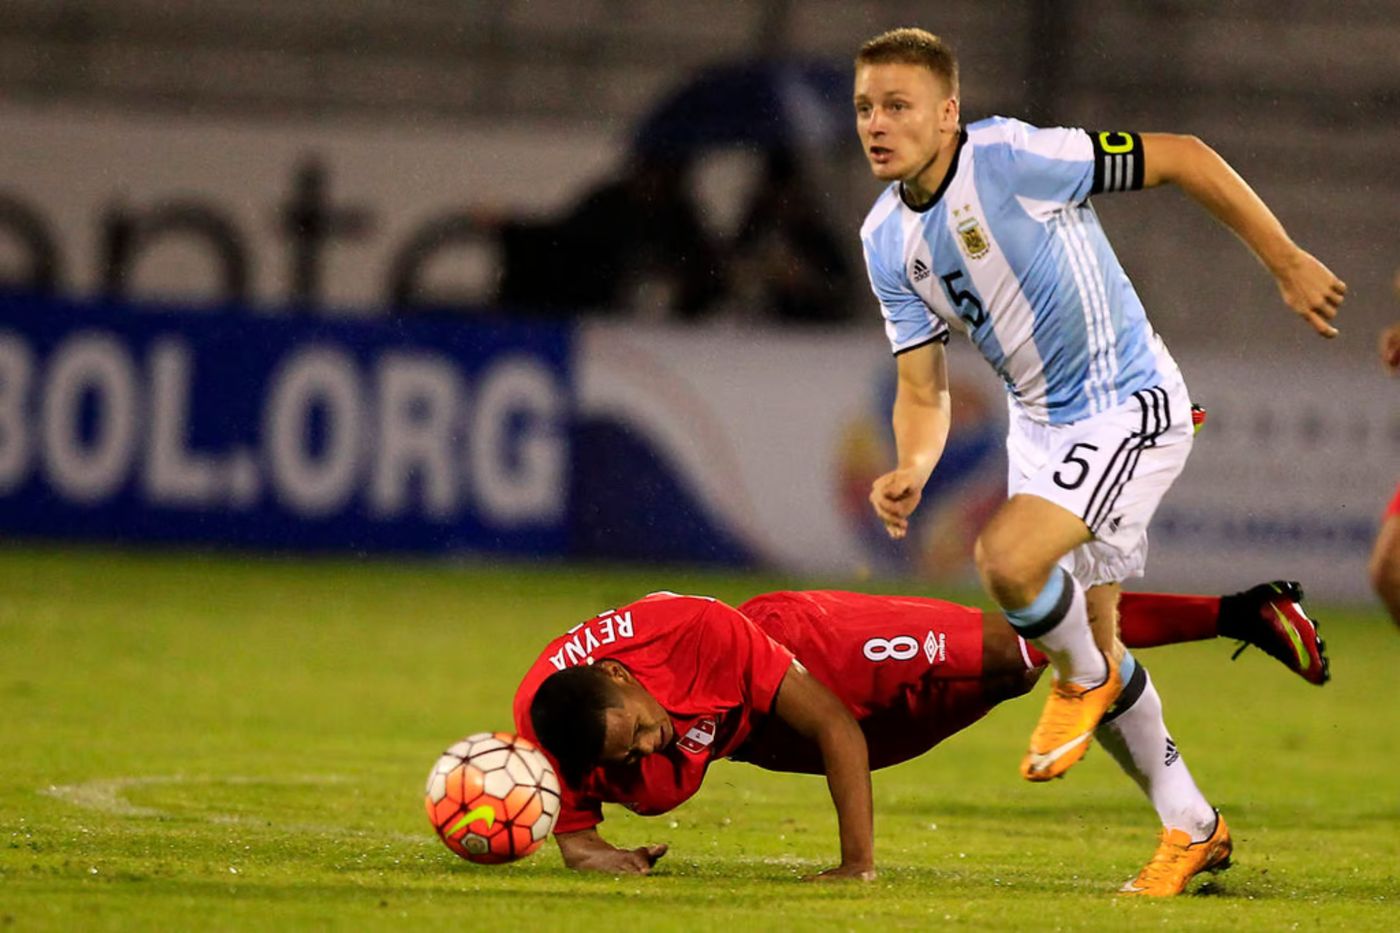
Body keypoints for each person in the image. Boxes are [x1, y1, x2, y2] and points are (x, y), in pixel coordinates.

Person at [851, 26, 1345, 870]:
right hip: (1038, 429)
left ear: (947, 114)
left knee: (1007, 559)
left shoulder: (1012, 158)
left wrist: (1285, 258)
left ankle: (1080, 678)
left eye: (898, 106)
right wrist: (914, 464)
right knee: (1097, 635)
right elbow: (924, 388)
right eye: (864, 107)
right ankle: (1193, 828)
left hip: (1130, 403)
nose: (876, 124)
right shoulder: (884, 239)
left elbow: (1185, 155)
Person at [514, 580, 1326, 895]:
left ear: (623, 675)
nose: (650, 748)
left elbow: (831, 722)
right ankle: (1190, 814)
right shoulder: (560, 722)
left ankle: (1236, 611)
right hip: (766, 733)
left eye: (644, 730)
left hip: (813, 647)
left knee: (1027, 644)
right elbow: (573, 828)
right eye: (628, 755)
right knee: (1023, 670)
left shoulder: (700, 639)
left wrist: (855, 866)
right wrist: (588, 849)